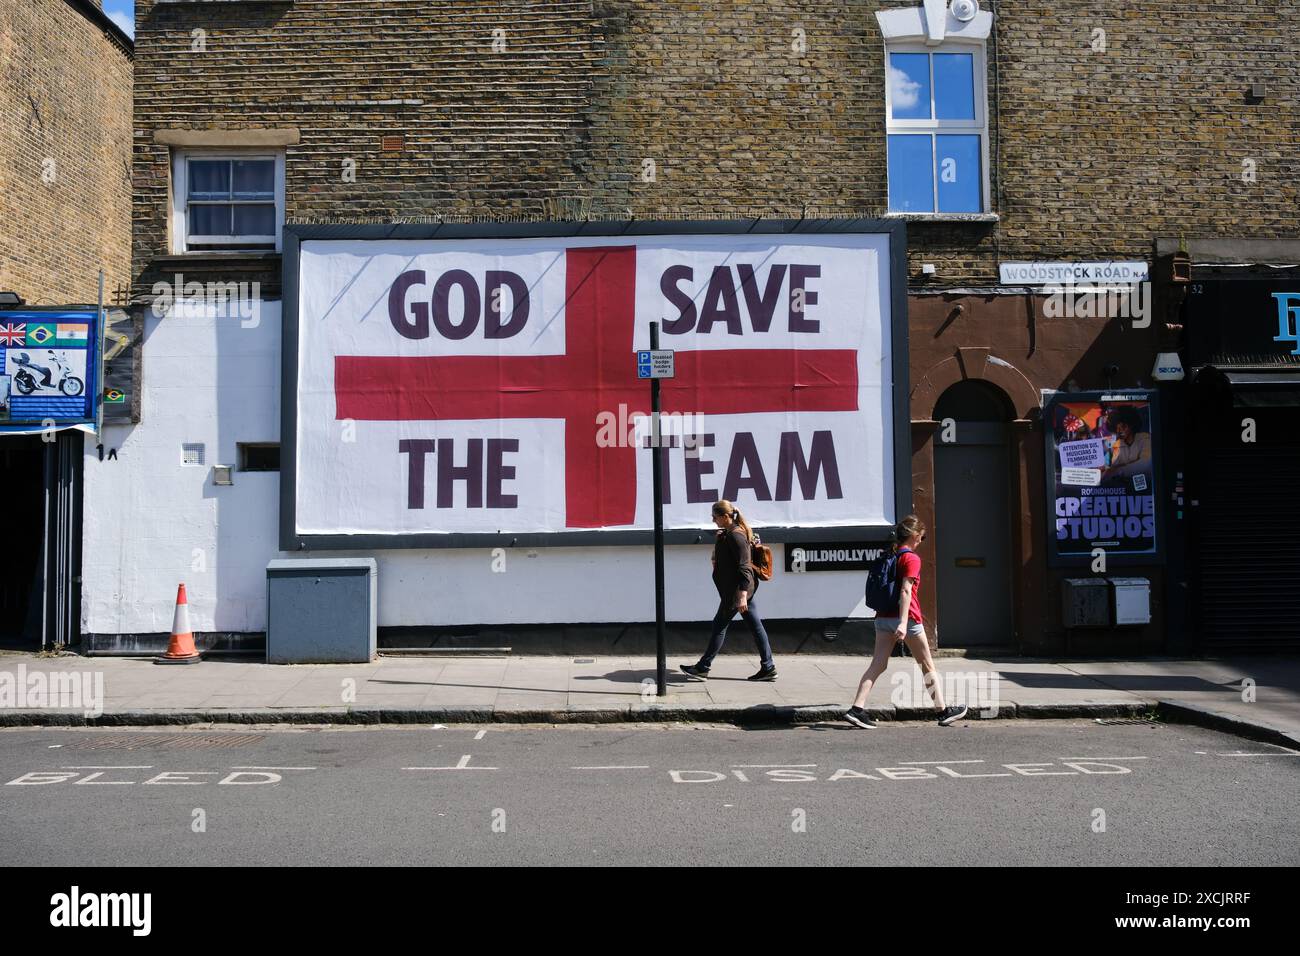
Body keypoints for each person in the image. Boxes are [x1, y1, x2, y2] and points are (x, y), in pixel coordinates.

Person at [844, 515, 967, 728]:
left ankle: (857, 709)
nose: (921, 541)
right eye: (921, 537)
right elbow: (905, 590)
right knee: (927, 664)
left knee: (877, 664)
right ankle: (943, 711)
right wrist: (902, 623)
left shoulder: (888, 555)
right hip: (907, 620)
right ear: (913, 536)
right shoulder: (911, 558)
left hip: (882, 618)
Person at [680, 499, 778, 682]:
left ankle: (703, 667)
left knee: (719, 626)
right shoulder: (728, 533)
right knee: (756, 627)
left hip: (737, 592)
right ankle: (768, 667)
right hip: (739, 590)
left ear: (725, 517)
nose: (712, 520)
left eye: (715, 516)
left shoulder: (736, 535)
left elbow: (745, 567)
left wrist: (741, 596)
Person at [1100, 406, 1152, 483]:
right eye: (1116, 428)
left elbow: (1146, 464)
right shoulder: (1116, 444)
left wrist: (1117, 470)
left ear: (1131, 425)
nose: (1119, 431)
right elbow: (1111, 468)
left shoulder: (1145, 438)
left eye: (1123, 426)